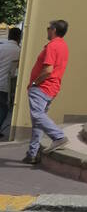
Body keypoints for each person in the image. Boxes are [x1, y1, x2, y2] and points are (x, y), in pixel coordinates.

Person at [24, 19, 70, 165]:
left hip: (43, 87)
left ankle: (58, 137)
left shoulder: (52, 46)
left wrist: (34, 83)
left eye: (48, 28)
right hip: (52, 88)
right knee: (38, 120)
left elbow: (48, 70)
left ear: (54, 30)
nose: (47, 30)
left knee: (37, 116)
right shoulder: (63, 46)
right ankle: (32, 153)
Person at [0, 27, 22, 139]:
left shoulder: (1, 46)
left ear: (8, 36)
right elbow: (18, 68)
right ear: (19, 37)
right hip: (4, 84)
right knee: (4, 108)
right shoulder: (19, 51)